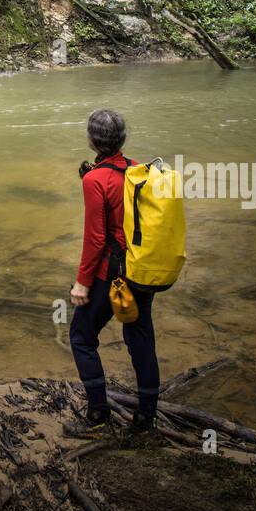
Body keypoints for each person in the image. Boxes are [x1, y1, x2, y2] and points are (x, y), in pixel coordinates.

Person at [68, 108, 159, 434]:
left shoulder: (95, 179)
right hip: (141, 271)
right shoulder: (139, 170)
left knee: (81, 336)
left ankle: (97, 413)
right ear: (122, 139)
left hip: (113, 276)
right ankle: (147, 416)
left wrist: (82, 283)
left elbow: (96, 239)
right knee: (139, 339)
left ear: (92, 140)